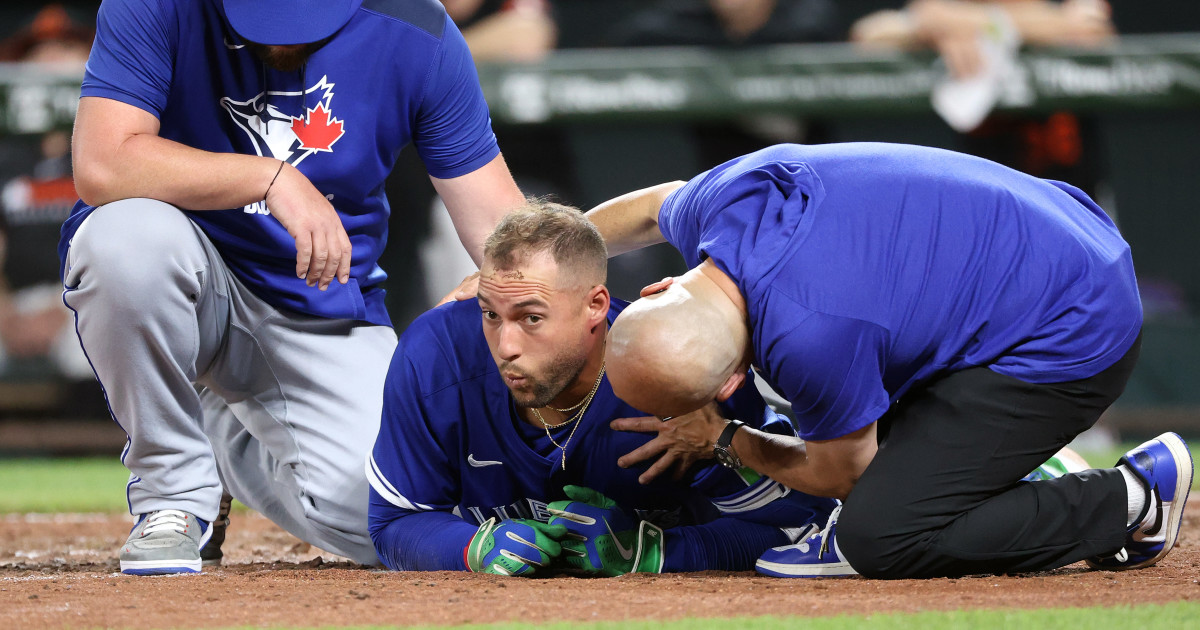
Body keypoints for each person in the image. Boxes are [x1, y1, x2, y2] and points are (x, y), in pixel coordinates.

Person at [61, 0, 525, 575]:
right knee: (121, 241)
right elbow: (102, 164)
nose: (282, 40)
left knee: (392, 513)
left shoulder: (415, 28)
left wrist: (524, 285)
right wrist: (270, 178)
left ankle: (228, 447)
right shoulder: (156, 5)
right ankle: (173, 493)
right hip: (181, 273)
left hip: (317, 301)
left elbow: (504, 232)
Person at [586, 142, 1193, 578]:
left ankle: (1132, 498)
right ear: (659, 287)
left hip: (1074, 325)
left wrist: (723, 437)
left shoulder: (811, 338)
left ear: (733, 380)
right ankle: (1000, 465)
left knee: (879, 536)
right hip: (1058, 231)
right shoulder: (723, 205)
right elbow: (644, 211)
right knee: (868, 408)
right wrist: (550, 263)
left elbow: (838, 473)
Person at [367, 202, 839, 575]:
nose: (505, 346)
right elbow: (393, 522)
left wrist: (661, 553)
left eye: (531, 318)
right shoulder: (438, 356)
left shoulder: (673, 369)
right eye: (491, 313)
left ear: (595, 306)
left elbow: (800, 522)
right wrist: (472, 547)